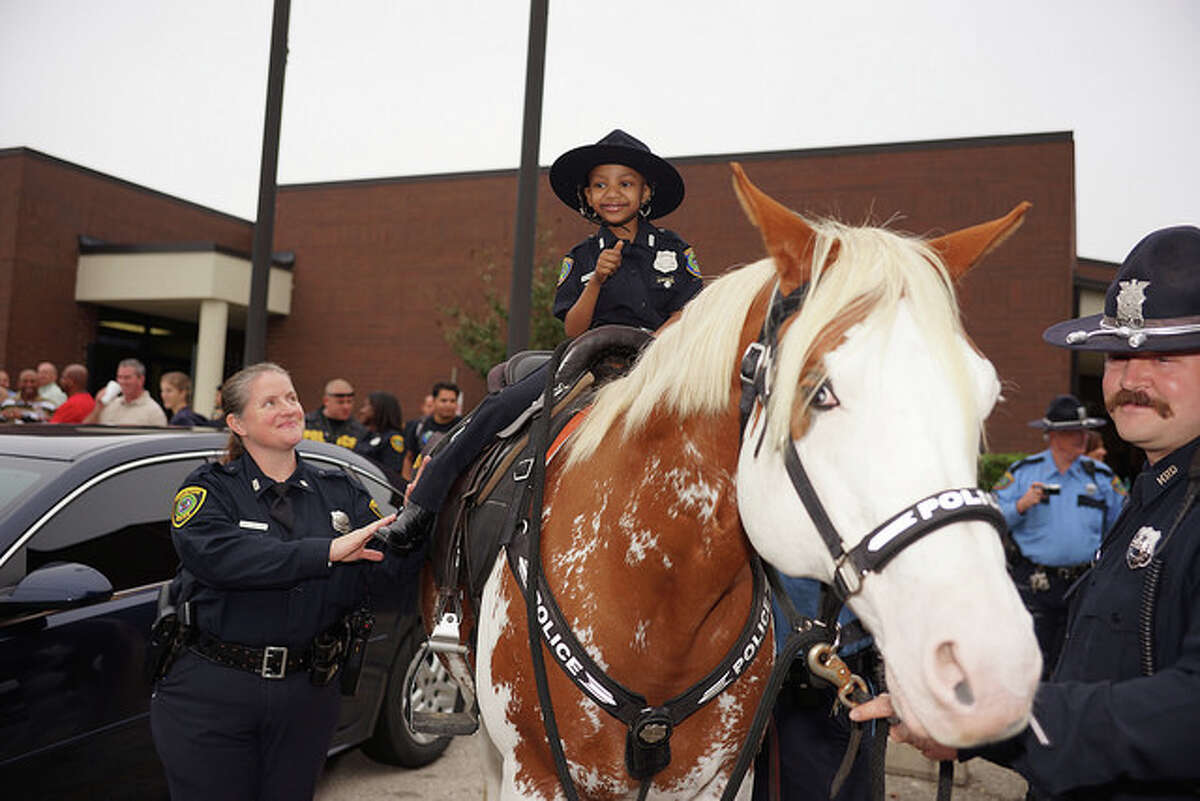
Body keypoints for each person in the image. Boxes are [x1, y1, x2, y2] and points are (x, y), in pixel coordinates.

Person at [851, 225, 1200, 800]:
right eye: (1116, 356)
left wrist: (1002, 717)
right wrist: (972, 726)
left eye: (1162, 357)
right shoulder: (1153, 489)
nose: (1131, 379)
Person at [376, 128, 703, 553]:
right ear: (587, 195)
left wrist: (654, 348)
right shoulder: (582, 255)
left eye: (625, 183)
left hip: (660, 358)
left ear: (645, 193)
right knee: (498, 407)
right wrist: (597, 280)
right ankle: (421, 507)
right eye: (600, 184)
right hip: (590, 358)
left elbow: (689, 310)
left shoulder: (674, 249)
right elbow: (573, 328)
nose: (613, 193)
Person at [150, 362, 403, 801]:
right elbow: (221, 558)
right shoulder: (210, 489)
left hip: (307, 691)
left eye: (291, 397)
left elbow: (388, 564)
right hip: (213, 688)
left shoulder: (340, 489)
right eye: (270, 402)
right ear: (237, 423)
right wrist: (326, 551)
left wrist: (426, 511)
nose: (289, 409)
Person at [992, 394, 1125, 676]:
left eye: (1083, 430)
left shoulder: (1100, 477)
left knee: (1080, 660)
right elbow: (991, 521)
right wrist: (1020, 506)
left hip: (1085, 584)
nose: (1081, 437)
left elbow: (1122, 527)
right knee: (1029, 662)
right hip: (1035, 585)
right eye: (1071, 431)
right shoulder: (1023, 474)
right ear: (1052, 435)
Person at [401, 381, 461, 481]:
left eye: (452, 401)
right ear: (434, 401)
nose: (448, 405)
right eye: (444, 401)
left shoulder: (463, 427)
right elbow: (408, 458)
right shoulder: (419, 426)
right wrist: (406, 482)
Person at [84, 358, 169, 426]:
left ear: (141, 380)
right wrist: (98, 407)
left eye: (127, 378)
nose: (122, 382)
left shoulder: (154, 412)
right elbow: (86, 431)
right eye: (119, 377)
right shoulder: (110, 404)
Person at [354, 391, 407, 490]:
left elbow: (391, 475)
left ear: (378, 410)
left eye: (366, 406)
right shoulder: (366, 435)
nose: (362, 410)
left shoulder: (393, 439)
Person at [302, 377, 368, 450]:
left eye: (349, 402)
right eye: (340, 402)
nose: (346, 407)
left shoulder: (359, 431)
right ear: (326, 401)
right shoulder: (306, 423)